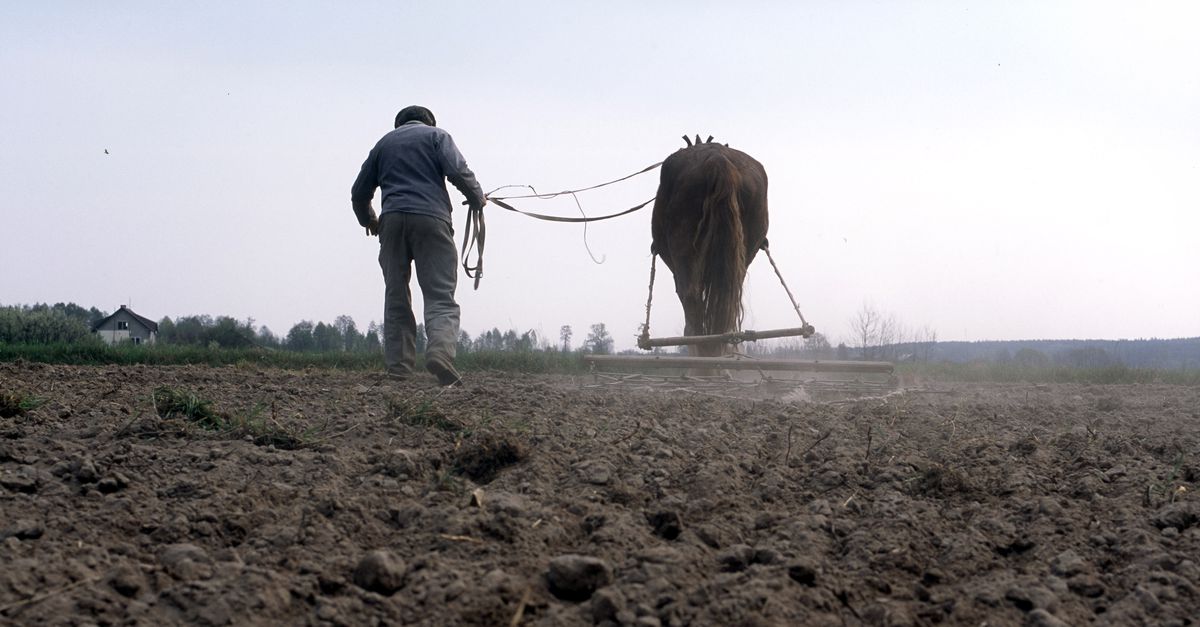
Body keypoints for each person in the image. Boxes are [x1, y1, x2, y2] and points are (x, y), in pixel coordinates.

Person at [350, 105, 486, 385]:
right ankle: (440, 353)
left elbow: (358, 193)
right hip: (432, 220)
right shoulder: (437, 136)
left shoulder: (382, 145)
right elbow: (458, 171)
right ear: (429, 121)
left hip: (392, 223)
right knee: (439, 294)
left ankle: (399, 367)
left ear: (398, 124)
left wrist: (370, 220)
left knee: (396, 295)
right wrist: (477, 197)